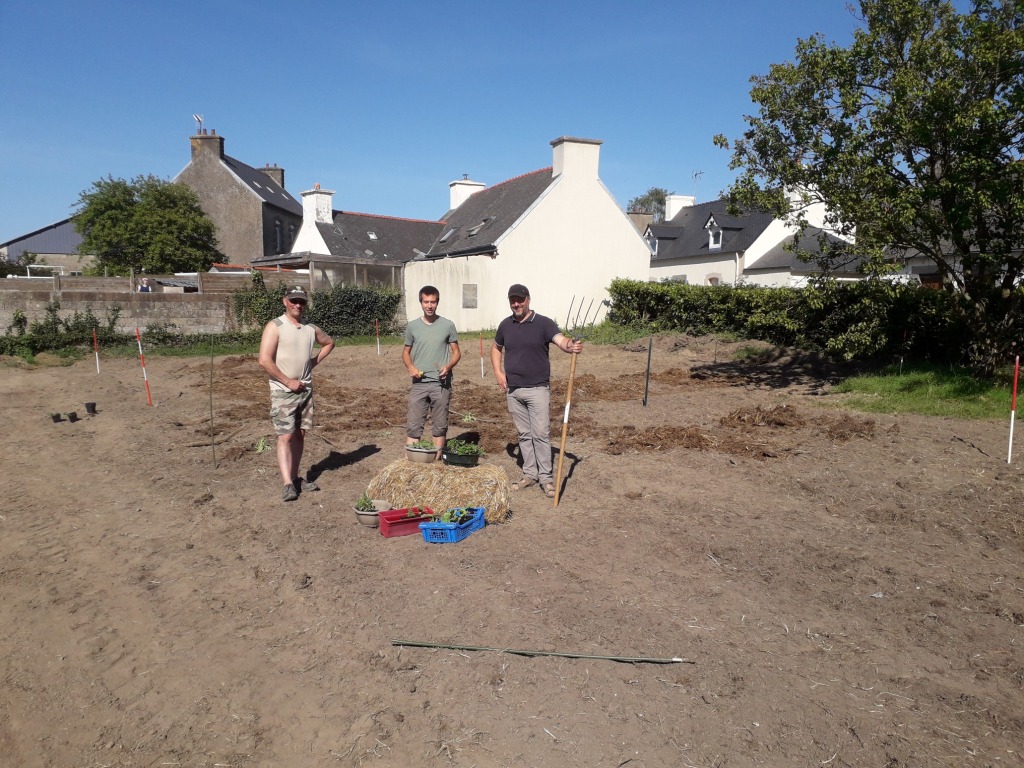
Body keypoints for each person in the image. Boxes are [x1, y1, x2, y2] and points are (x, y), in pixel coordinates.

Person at [490, 283, 583, 499]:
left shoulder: (543, 323)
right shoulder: (505, 325)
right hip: (513, 390)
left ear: (528, 299)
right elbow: (496, 347)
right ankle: (529, 474)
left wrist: (570, 345)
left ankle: (546, 478)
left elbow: (560, 340)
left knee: (540, 434)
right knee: (524, 435)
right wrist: (498, 372)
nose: (516, 304)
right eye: (513, 300)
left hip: (537, 389)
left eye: (520, 300)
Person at [258, 285, 335, 502]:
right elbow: (264, 360)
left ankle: (295, 477)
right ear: (285, 301)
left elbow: (329, 343)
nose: (298, 305)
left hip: (305, 390)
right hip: (283, 391)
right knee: (285, 436)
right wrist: (288, 382)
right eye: (294, 300)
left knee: (300, 434)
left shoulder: (310, 328)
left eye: (301, 301)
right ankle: (287, 484)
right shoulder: (275, 326)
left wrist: (313, 363)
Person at [403, 285, 461, 458]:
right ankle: (411, 461)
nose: (429, 306)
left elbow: (457, 352)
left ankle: (436, 461)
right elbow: (405, 353)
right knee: (414, 425)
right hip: (419, 383)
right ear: (421, 302)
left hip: (441, 383)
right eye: (426, 302)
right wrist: (411, 367)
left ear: (437, 302)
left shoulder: (447, 325)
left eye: (433, 302)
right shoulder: (412, 326)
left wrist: (448, 366)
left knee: (440, 425)